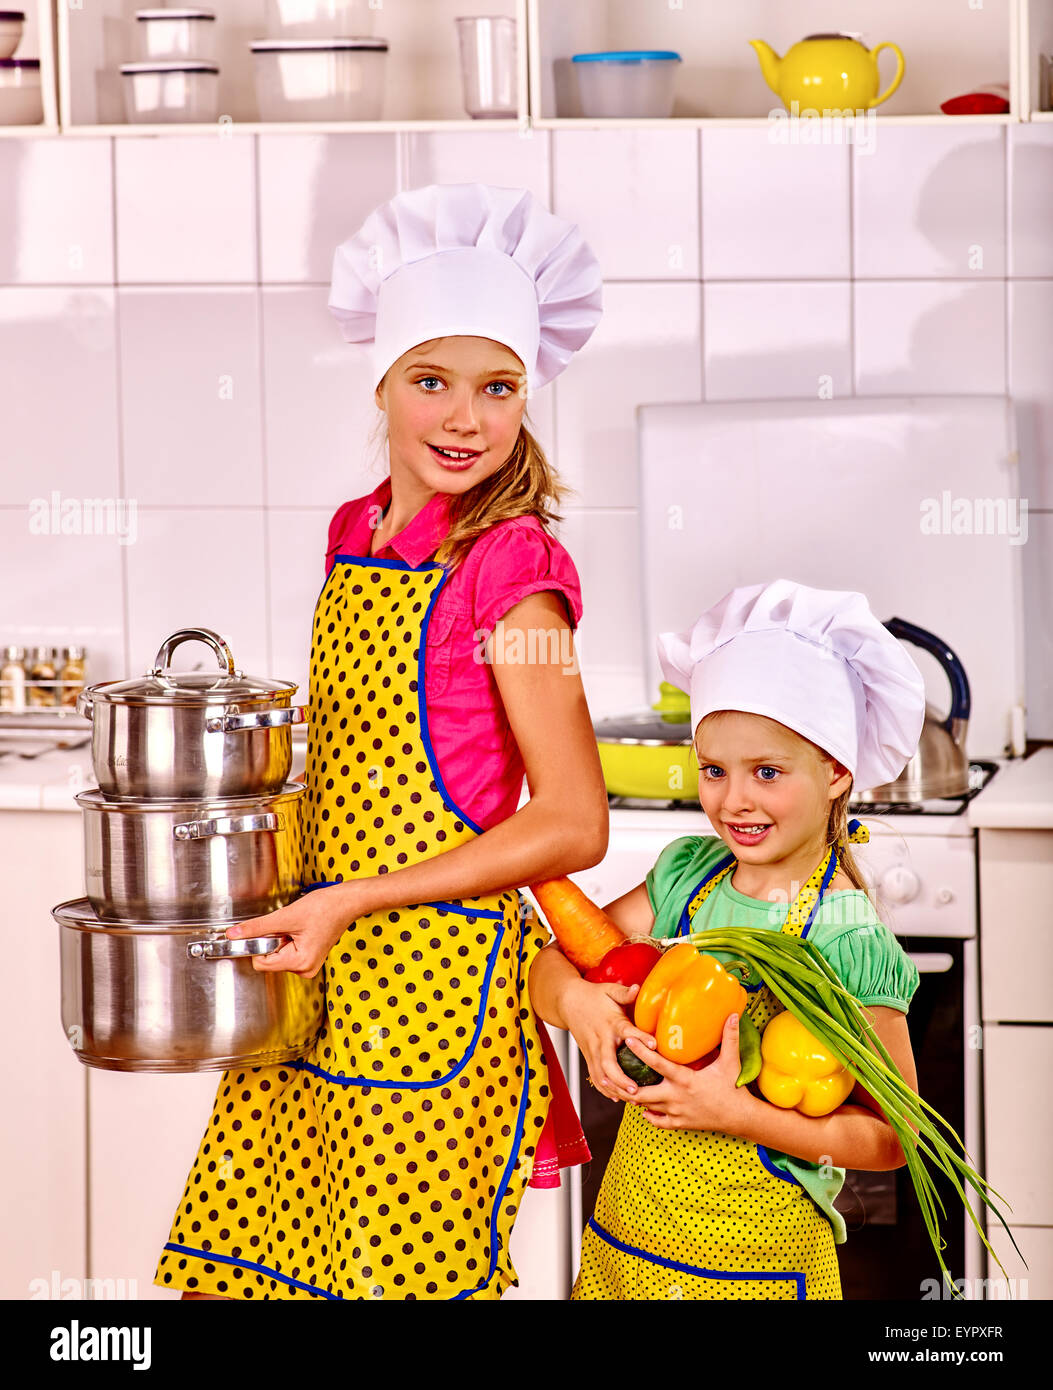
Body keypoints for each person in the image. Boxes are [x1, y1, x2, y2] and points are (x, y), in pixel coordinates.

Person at [154, 182, 606, 1302]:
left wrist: (351, 900)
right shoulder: (358, 531)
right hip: (318, 977)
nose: (467, 419)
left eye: (498, 387)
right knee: (258, 1274)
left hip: (432, 992)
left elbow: (572, 821)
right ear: (383, 383)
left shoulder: (516, 576)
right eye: (432, 382)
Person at [530, 578, 929, 1300]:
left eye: (766, 773)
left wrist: (737, 1114)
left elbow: (892, 1138)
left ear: (836, 772)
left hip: (757, 1269)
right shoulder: (687, 878)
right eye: (713, 770)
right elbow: (552, 966)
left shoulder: (843, 935)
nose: (732, 800)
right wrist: (580, 1010)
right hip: (627, 1240)